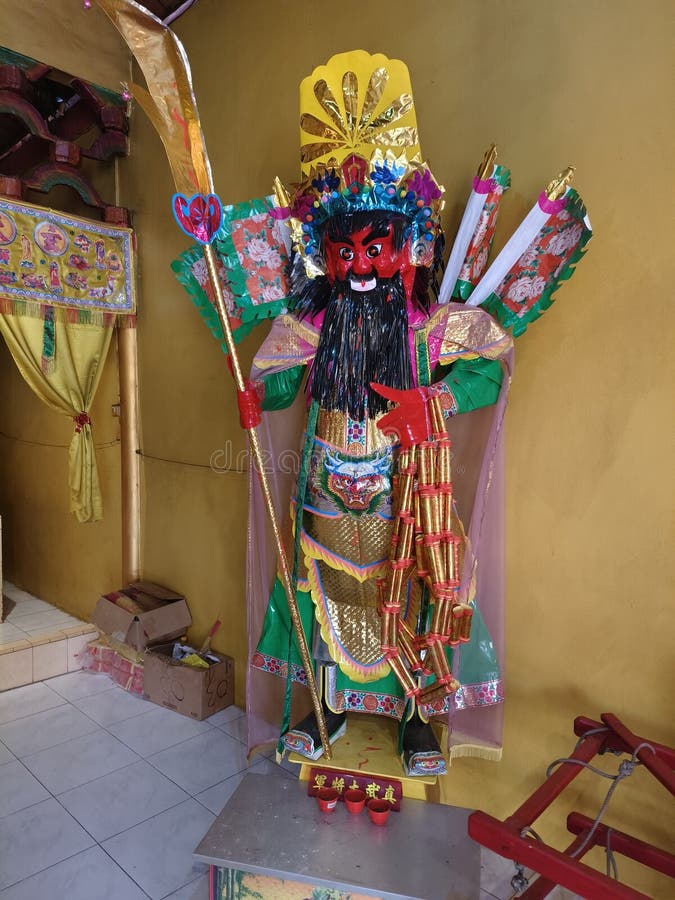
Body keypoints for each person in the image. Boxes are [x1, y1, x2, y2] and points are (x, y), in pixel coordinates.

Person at [247, 50, 513, 775]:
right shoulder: (314, 323)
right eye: (343, 251)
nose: (360, 264)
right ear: (323, 257)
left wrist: (436, 397)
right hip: (327, 483)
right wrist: (258, 393)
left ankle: (417, 722)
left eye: (375, 247)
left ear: (408, 246)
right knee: (325, 587)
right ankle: (324, 705)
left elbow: (491, 364)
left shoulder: (430, 326)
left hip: (407, 486)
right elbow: (275, 377)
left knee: (417, 592)